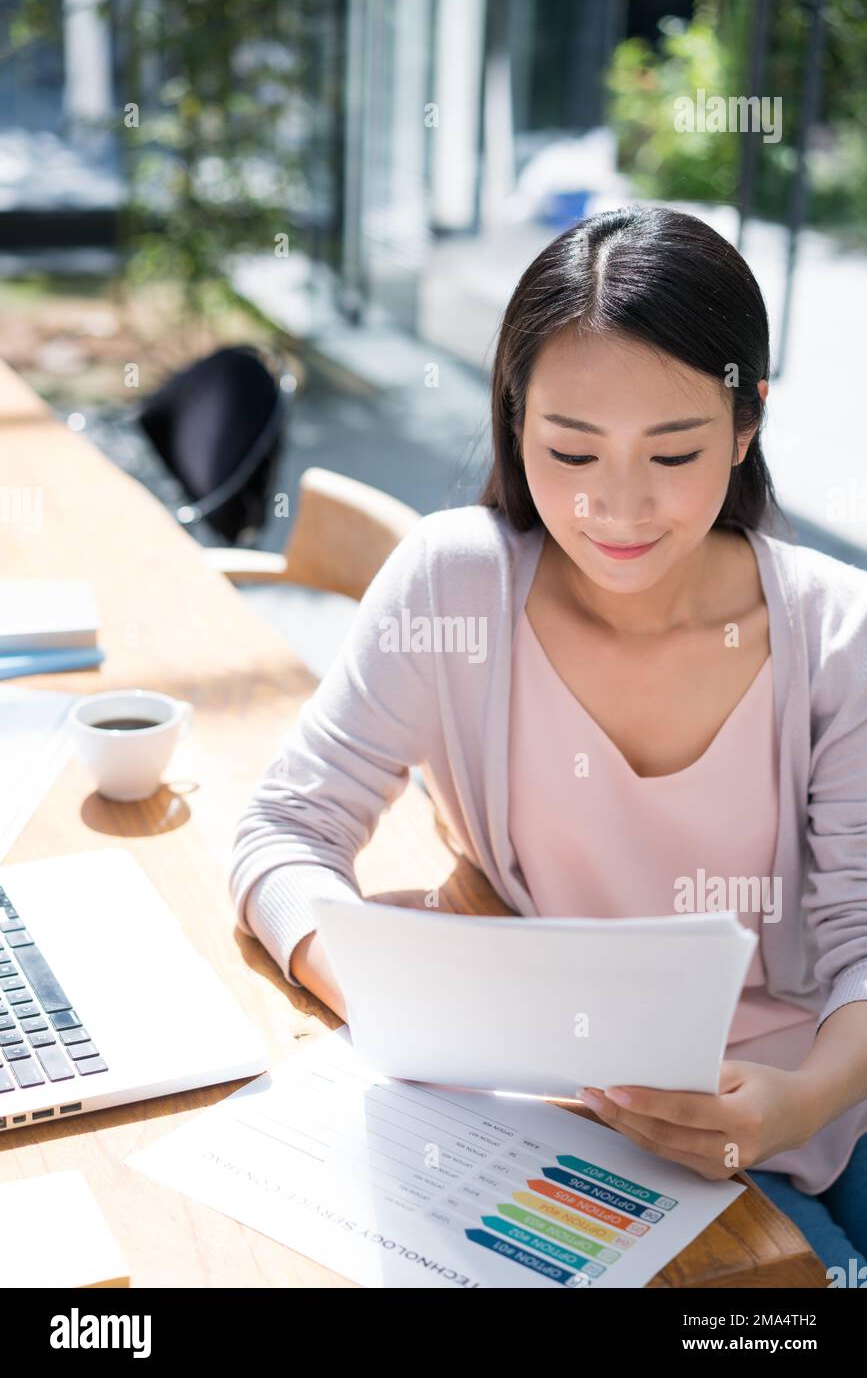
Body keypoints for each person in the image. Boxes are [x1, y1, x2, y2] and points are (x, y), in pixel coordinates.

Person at [230, 206, 867, 1278]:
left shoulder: (837, 639)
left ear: (747, 424)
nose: (615, 505)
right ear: (516, 422)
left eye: (674, 451)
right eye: (569, 449)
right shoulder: (454, 585)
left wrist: (798, 1098)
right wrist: (392, 998)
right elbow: (283, 829)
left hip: (789, 1131)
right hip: (542, 1130)